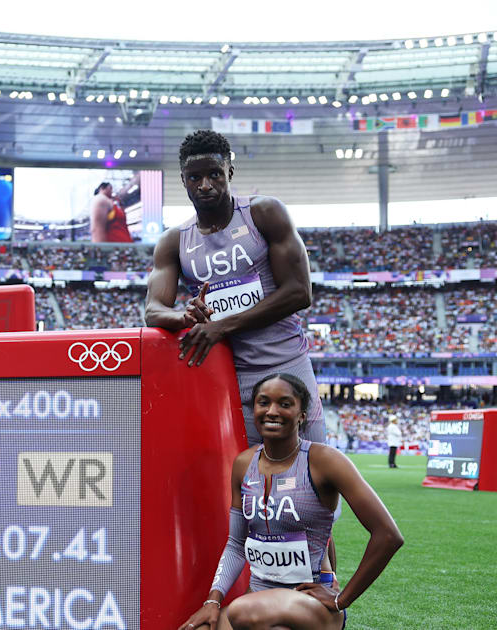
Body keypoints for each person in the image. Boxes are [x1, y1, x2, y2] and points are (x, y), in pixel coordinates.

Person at [178, 374, 403, 630]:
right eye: (264, 403)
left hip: (310, 605)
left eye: (285, 404)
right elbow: (236, 544)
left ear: (302, 415)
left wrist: (342, 599)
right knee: (202, 627)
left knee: (245, 611)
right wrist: (213, 600)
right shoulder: (243, 464)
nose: (272, 411)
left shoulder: (325, 461)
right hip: (259, 601)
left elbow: (388, 535)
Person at [144, 129, 324, 447]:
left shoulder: (264, 214)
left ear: (229, 171)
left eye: (214, 174)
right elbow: (153, 311)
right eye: (194, 177)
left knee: (311, 471)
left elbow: (300, 291)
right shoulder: (174, 241)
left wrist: (221, 326)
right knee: (247, 483)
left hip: (286, 364)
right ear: (182, 180)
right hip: (228, 375)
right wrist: (185, 317)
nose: (205, 185)